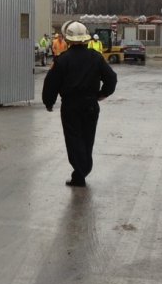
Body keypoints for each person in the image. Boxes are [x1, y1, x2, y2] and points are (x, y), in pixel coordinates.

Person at [42, 20, 117, 187]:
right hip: (91, 104)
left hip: (71, 106)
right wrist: (103, 93)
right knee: (87, 138)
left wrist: (49, 102)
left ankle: (81, 170)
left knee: (74, 139)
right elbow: (111, 78)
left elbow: (51, 82)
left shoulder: (63, 60)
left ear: (68, 40)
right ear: (86, 39)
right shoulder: (96, 58)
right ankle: (80, 173)